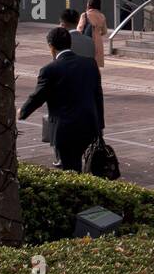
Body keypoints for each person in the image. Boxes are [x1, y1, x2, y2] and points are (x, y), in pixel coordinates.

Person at [19, 24, 104, 172]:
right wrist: (100, 125)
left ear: (51, 47)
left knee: (70, 168)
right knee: (84, 165)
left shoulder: (49, 70)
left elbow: (38, 97)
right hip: (89, 125)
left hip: (65, 129)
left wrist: (22, 112)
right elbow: (98, 96)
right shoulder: (89, 64)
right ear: (70, 43)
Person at [77, 0, 109, 68]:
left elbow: (79, 30)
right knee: (96, 65)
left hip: (87, 42)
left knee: (85, 64)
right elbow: (104, 31)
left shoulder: (85, 15)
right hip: (98, 42)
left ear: (89, 4)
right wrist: (97, 33)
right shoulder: (102, 16)